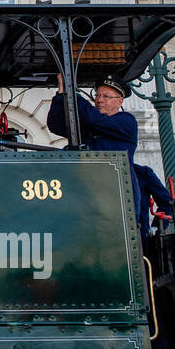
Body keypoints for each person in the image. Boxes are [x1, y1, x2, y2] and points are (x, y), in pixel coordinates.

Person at [47, 74, 141, 232]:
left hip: (116, 194)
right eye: (97, 95)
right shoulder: (91, 122)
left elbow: (95, 120)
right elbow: (56, 125)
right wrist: (61, 93)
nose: (99, 100)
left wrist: (72, 93)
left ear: (120, 101)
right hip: (90, 194)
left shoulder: (126, 121)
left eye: (106, 96)